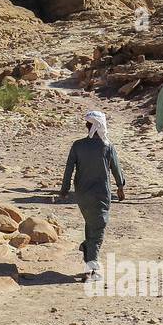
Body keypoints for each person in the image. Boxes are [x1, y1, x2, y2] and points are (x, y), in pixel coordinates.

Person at [59, 110, 126, 282]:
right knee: (98, 230)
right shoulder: (107, 147)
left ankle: (87, 249)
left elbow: (68, 170)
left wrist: (64, 189)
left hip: (81, 195)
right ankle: (90, 270)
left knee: (91, 224)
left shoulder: (77, 145)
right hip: (101, 194)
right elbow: (116, 169)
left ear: (88, 126)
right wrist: (120, 187)